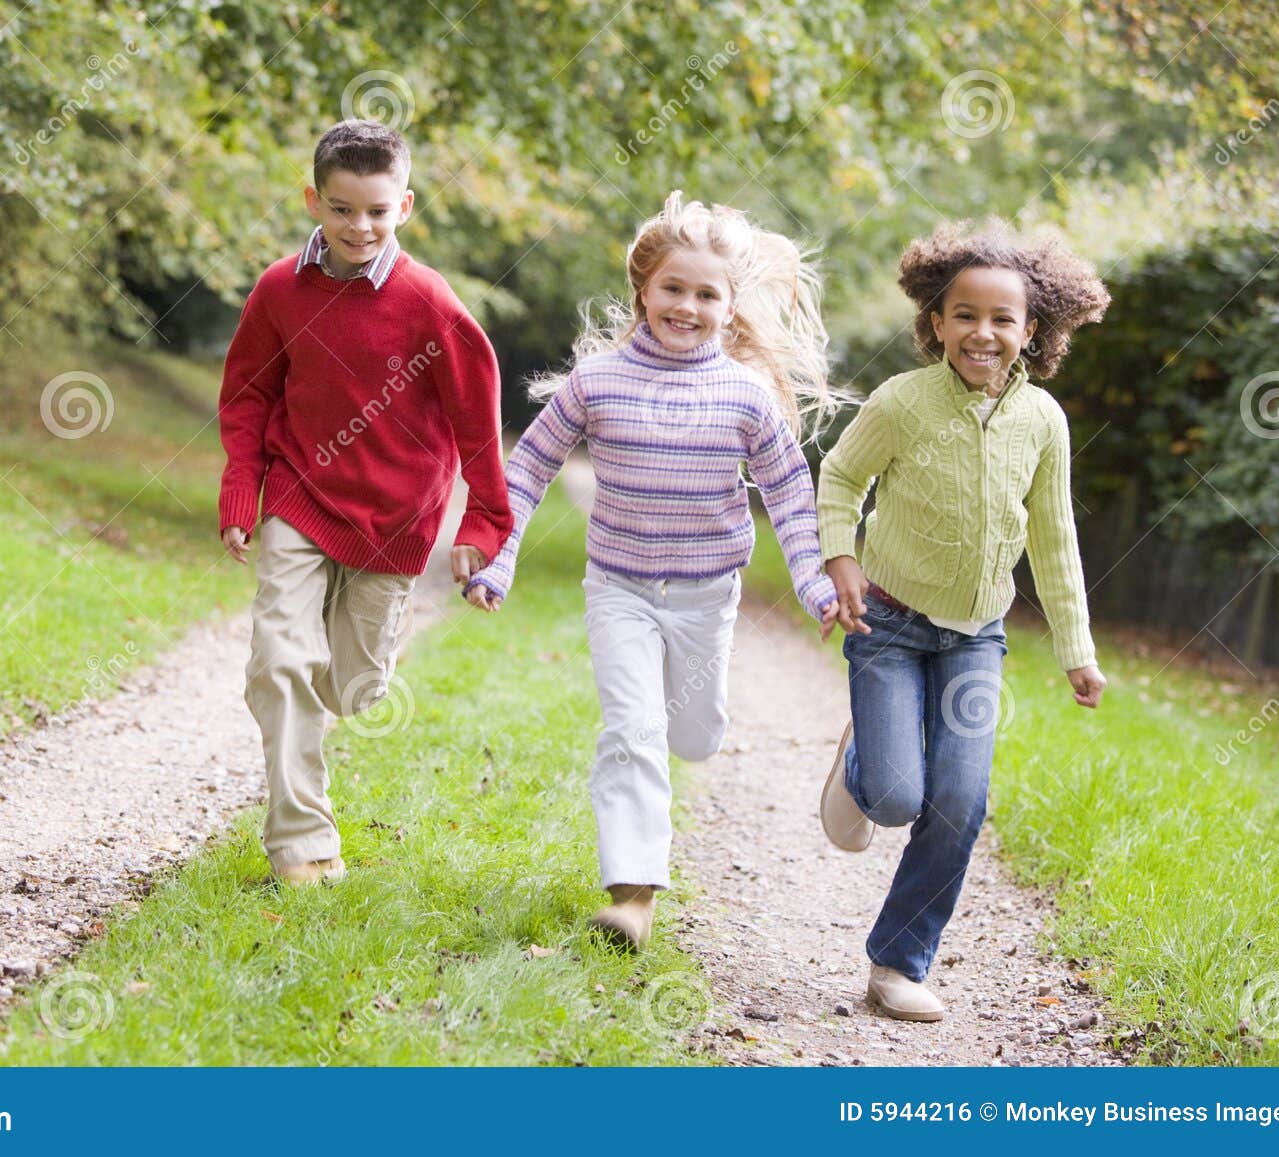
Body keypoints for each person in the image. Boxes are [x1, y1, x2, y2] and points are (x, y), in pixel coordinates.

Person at [465, 192, 842, 948]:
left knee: (694, 736)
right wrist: (498, 557)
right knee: (632, 730)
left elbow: (792, 498)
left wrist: (815, 583)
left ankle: (690, 733)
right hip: (620, 590)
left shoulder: (746, 397)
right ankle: (633, 895)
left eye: (707, 294)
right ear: (643, 288)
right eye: (674, 287)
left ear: (731, 307)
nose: (687, 306)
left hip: (707, 595)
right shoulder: (597, 382)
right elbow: (529, 469)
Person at [816, 219, 1110, 1020]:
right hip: (888, 624)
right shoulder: (904, 402)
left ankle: (898, 962)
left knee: (959, 799)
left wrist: (1076, 651)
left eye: (1002, 318)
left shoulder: (1043, 421)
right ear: (936, 323)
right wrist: (840, 559)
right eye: (965, 314)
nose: (983, 332)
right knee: (898, 795)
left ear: (1032, 331)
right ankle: (863, 767)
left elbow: (1054, 537)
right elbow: (841, 478)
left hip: (976, 637)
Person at [217, 119, 512, 885]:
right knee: (281, 658)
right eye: (343, 208)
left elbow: (478, 421)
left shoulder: (430, 304)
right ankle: (301, 842)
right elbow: (249, 393)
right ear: (314, 200)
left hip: (394, 522)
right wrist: (241, 487)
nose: (360, 226)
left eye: (377, 210)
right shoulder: (280, 290)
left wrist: (485, 519)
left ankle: (341, 691)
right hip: (298, 496)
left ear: (405, 206)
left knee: (350, 686)